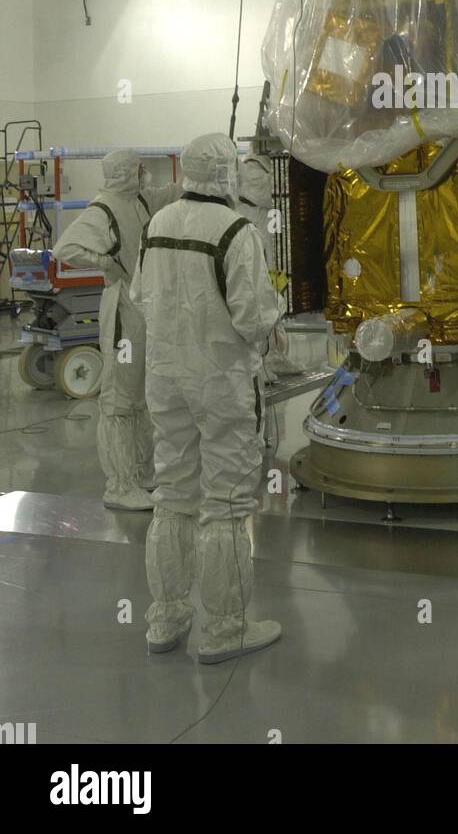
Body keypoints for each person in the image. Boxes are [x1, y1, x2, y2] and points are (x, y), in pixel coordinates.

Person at [130, 133, 285, 663]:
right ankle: (226, 626)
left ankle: (166, 617)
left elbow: (141, 296)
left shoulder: (158, 224)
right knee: (224, 504)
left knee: (172, 494)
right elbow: (254, 318)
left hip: (165, 379)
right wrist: (276, 311)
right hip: (220, 384)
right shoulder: (237, 231)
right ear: (228, 174)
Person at [52, 149, 179, 511]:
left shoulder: (137, 199)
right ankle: (119, 485)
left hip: (143, 310)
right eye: (138, 168)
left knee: (140, 394)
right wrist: (107, 261)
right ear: (125, 171)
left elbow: (172, 194)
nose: (144, 173)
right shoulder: (103, 208)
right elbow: (65, 248)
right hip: (122, 312)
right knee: (120, 398)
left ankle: (140, 472)